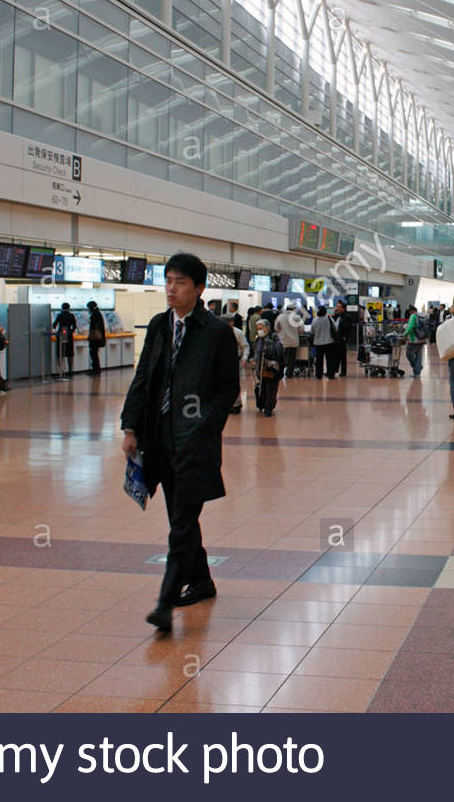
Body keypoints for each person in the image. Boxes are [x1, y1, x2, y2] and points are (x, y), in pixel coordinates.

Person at [121, 253, 239, 632]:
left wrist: (205, 425)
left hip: (194, 442)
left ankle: (165, 602)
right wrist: (130, 427)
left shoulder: (216, 332)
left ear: (199, 288)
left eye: (181, 282)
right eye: (168, 280)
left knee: (182, 523)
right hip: (160, 439)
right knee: (180, 517)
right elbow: (143, 378)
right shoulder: (159, 326)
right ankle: (201, 581)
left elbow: (228, 390)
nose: (171, 288)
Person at [252, 317, 284, 417]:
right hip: (261, 368)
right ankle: (262, 404)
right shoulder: (258, 339)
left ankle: (269, 408)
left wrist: (269, 349)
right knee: (263, 387)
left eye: (262, 328)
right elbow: (256, 352)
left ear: (268, 328)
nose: (260, 330)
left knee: (271, 389)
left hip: (273, 368)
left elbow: (279, 349)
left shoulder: (274, 337)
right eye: (258, 328)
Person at [52, 302, 77, 379]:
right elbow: (75, 326)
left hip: (62, 332)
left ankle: (62, 371)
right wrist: (71, 331)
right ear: (69, 308)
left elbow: (54, 325)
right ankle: (70, 371)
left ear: (62, 308)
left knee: (61, 352)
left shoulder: (60, 315)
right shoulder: (71, 315)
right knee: (69, 352)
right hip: (69, 333)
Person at [277, 304, 303, 377]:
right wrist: (298, 334)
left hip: (283, 341)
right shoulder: (296, 317)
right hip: (294, 341)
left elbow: (276, 328)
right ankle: (289, 373)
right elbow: (301, 328)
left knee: (283, 357)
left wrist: (281, 333)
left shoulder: (280, 316)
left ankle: (282, 372)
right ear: (293, 309)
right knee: (292, 358)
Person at [311, 305, 335, 380]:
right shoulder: (329, 319)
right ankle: (330, 374)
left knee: (319, 359)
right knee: (330, 359)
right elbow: (335, 327)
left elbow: (312, 331)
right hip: (329, 342)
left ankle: (319, 374)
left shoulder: (315, 320)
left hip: (318, 343)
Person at [404, 305, 427, 377]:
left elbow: (410, 326)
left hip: (414, 339)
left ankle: (417, 368)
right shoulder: (422, 316)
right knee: (418, 356)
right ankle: (417, 373)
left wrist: (405, 335)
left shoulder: (413, 316)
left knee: (409, 354)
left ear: (411, 311)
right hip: (422, 338)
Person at [331, 301, 352, 377]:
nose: (337, 308)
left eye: (339, 307)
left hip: (342, 338)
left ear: (343, 308)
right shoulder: (336, 316)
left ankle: (343, 371)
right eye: (337, 306)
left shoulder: (347, 317)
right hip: (335, 338)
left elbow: (349, 329)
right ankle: (334, 370)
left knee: (342, 356)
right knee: (335, 355)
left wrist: (345, 337)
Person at [87, 301, 106, 375]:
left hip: (95, 337)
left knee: (93, 353)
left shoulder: (95, 314)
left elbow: (95, 325)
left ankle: (96, 369)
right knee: (94, 353)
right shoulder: (98, 313)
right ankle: (96, 369)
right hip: (98, 337)